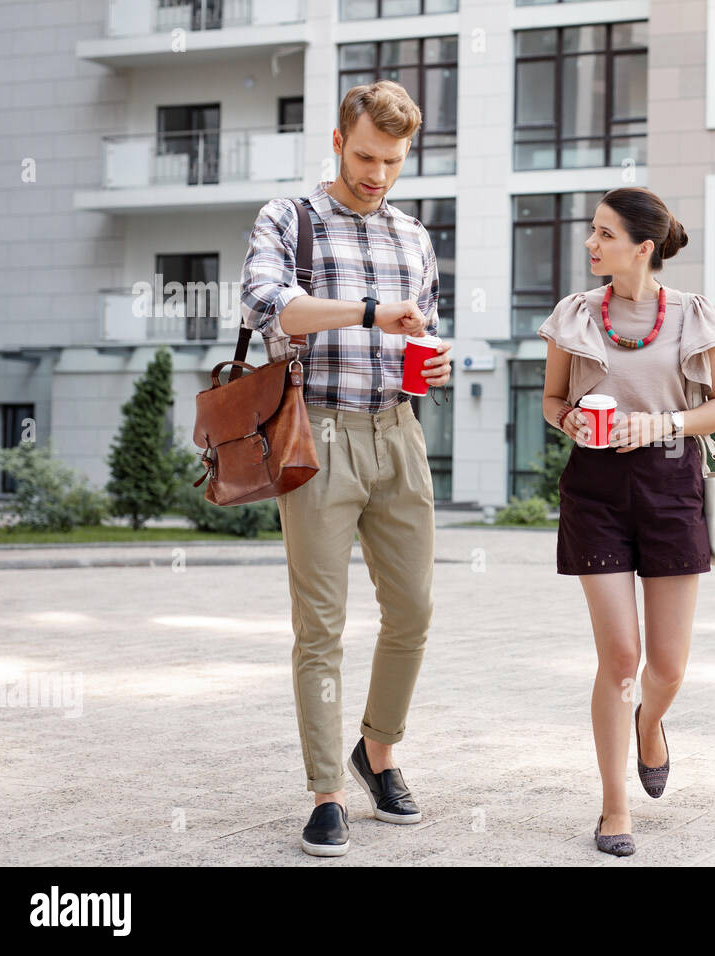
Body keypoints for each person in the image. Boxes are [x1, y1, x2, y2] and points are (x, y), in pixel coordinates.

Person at [239, 80, 453, 857]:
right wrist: (366, 312)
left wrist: (434, 359)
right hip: (316, 435)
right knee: (320, 625)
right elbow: (268, 305)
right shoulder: (288, 219)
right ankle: (328, 790)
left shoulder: (414, 236)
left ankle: (379, 752)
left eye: (393, 161)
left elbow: (419, 327)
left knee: (415, 611)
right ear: (337, 142)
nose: (378, 174)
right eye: (366, 156)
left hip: (397, 431)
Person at [537, 187, 715, 856]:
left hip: (670, 484)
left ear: (642, 247)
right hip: (594, 488)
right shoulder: (576, 314)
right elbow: (549, 399)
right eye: (592, 231)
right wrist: (568, 418)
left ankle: (650, 726)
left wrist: (661, 422)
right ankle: (614, 806)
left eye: (603, 233)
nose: (591, 243)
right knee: (621, 658)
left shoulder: (690, 316)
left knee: (669, 667)